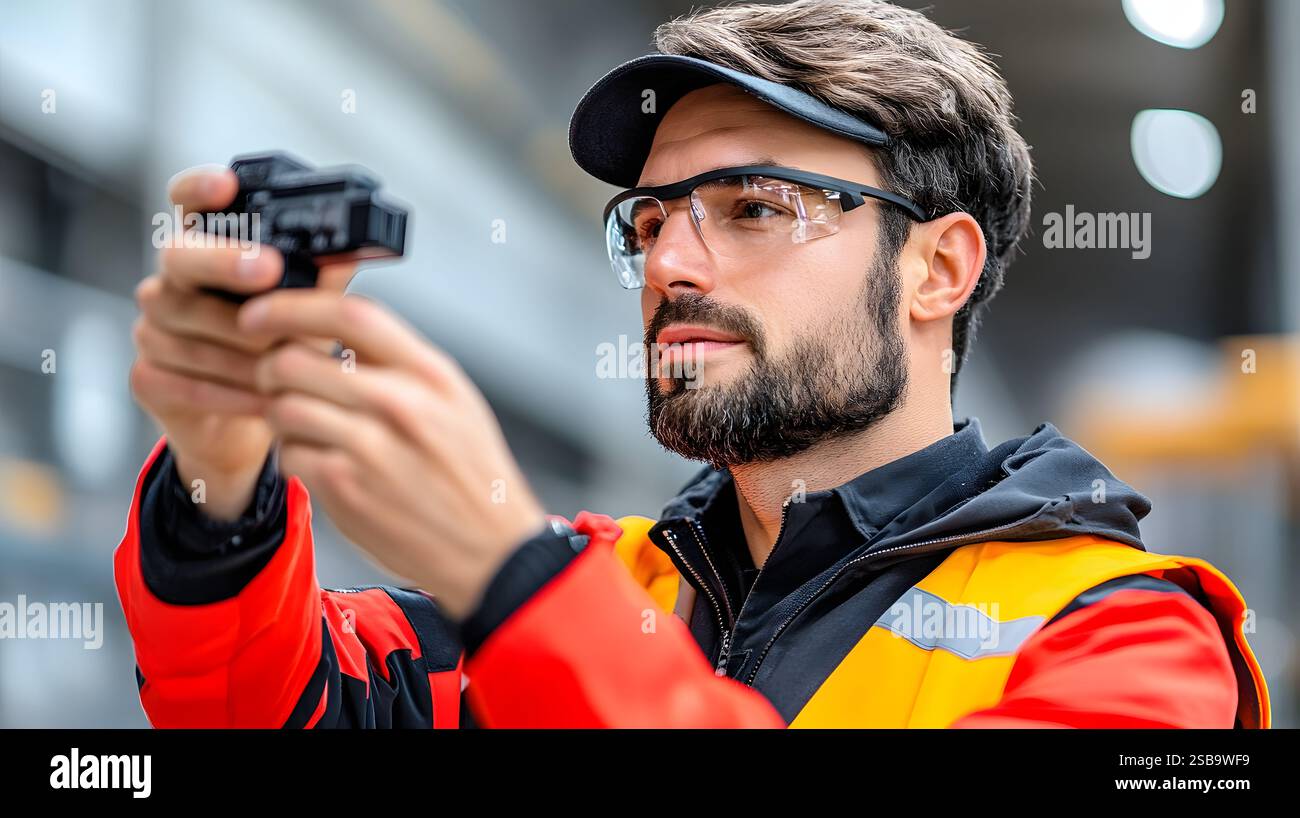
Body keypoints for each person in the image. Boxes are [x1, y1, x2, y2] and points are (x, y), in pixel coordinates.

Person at [115, 0, 1269, 728]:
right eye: (653, 216)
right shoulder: (604, 584)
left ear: (936, 268)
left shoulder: (1126, 641)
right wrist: (222, 466)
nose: (671, 255)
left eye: (754, 207)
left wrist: (517, 585)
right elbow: (263, 704)